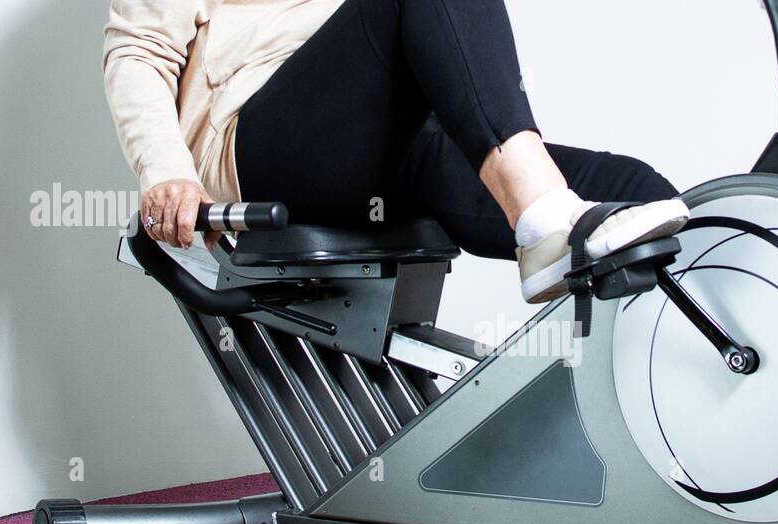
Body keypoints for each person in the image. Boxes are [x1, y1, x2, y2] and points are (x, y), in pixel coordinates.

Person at [105, 0, 688, 303]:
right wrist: (167, 173)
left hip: (394, 142)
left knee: (637, 198)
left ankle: (676, 436)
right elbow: (139, 50)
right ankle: (541, 220)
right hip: (258, 145)